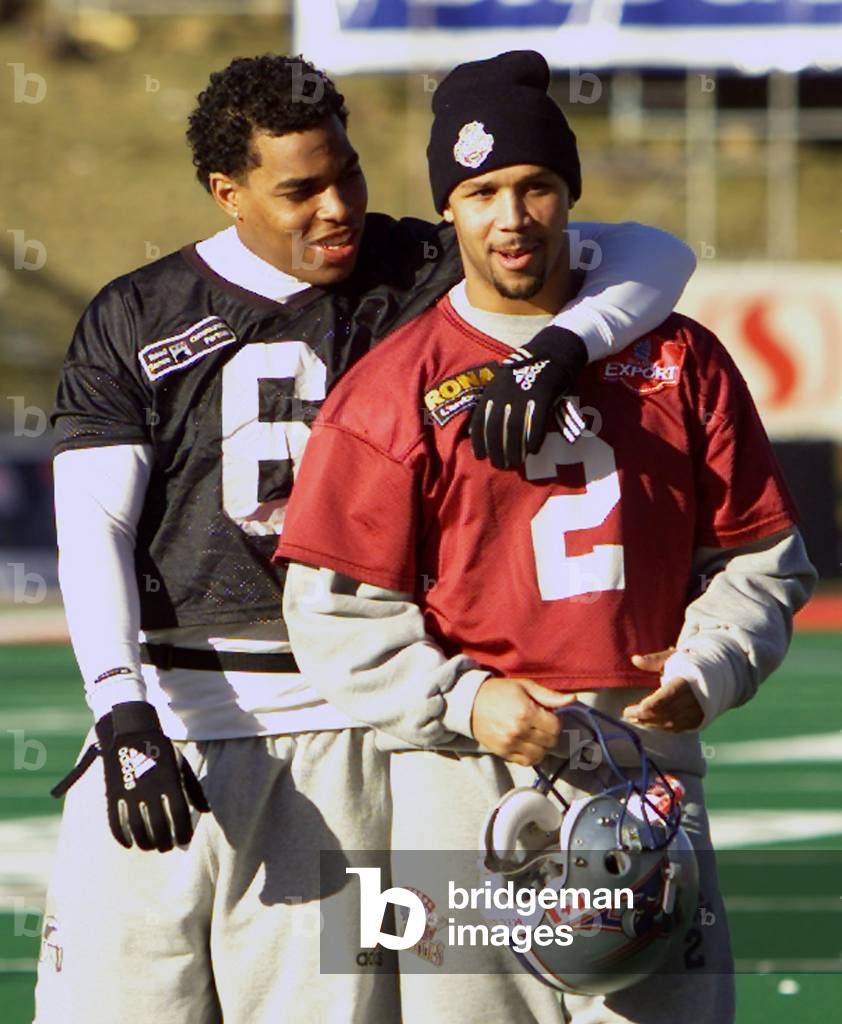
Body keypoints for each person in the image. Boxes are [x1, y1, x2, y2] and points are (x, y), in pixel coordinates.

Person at [36, 53, 698, 1024]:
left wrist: (562, 343)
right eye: (299, 190)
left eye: (345, 172)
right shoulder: (140, 313)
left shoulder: (418, 269)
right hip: (166, 726)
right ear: (228, 194)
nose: (337, 206)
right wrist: (119, 710)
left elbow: (651, 252)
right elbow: (92, 524)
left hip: (345, 723)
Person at [278, 51, 817, 1024]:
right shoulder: (395, 385)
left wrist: (708, 667)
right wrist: (464, 699)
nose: (511, 216)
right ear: (448, 208)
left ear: (570, 193)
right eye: (480, 192)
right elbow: (329, 609)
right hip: (463, 774)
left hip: (641, 757)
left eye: (533, 186)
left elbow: (761, 557)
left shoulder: (677, 357)